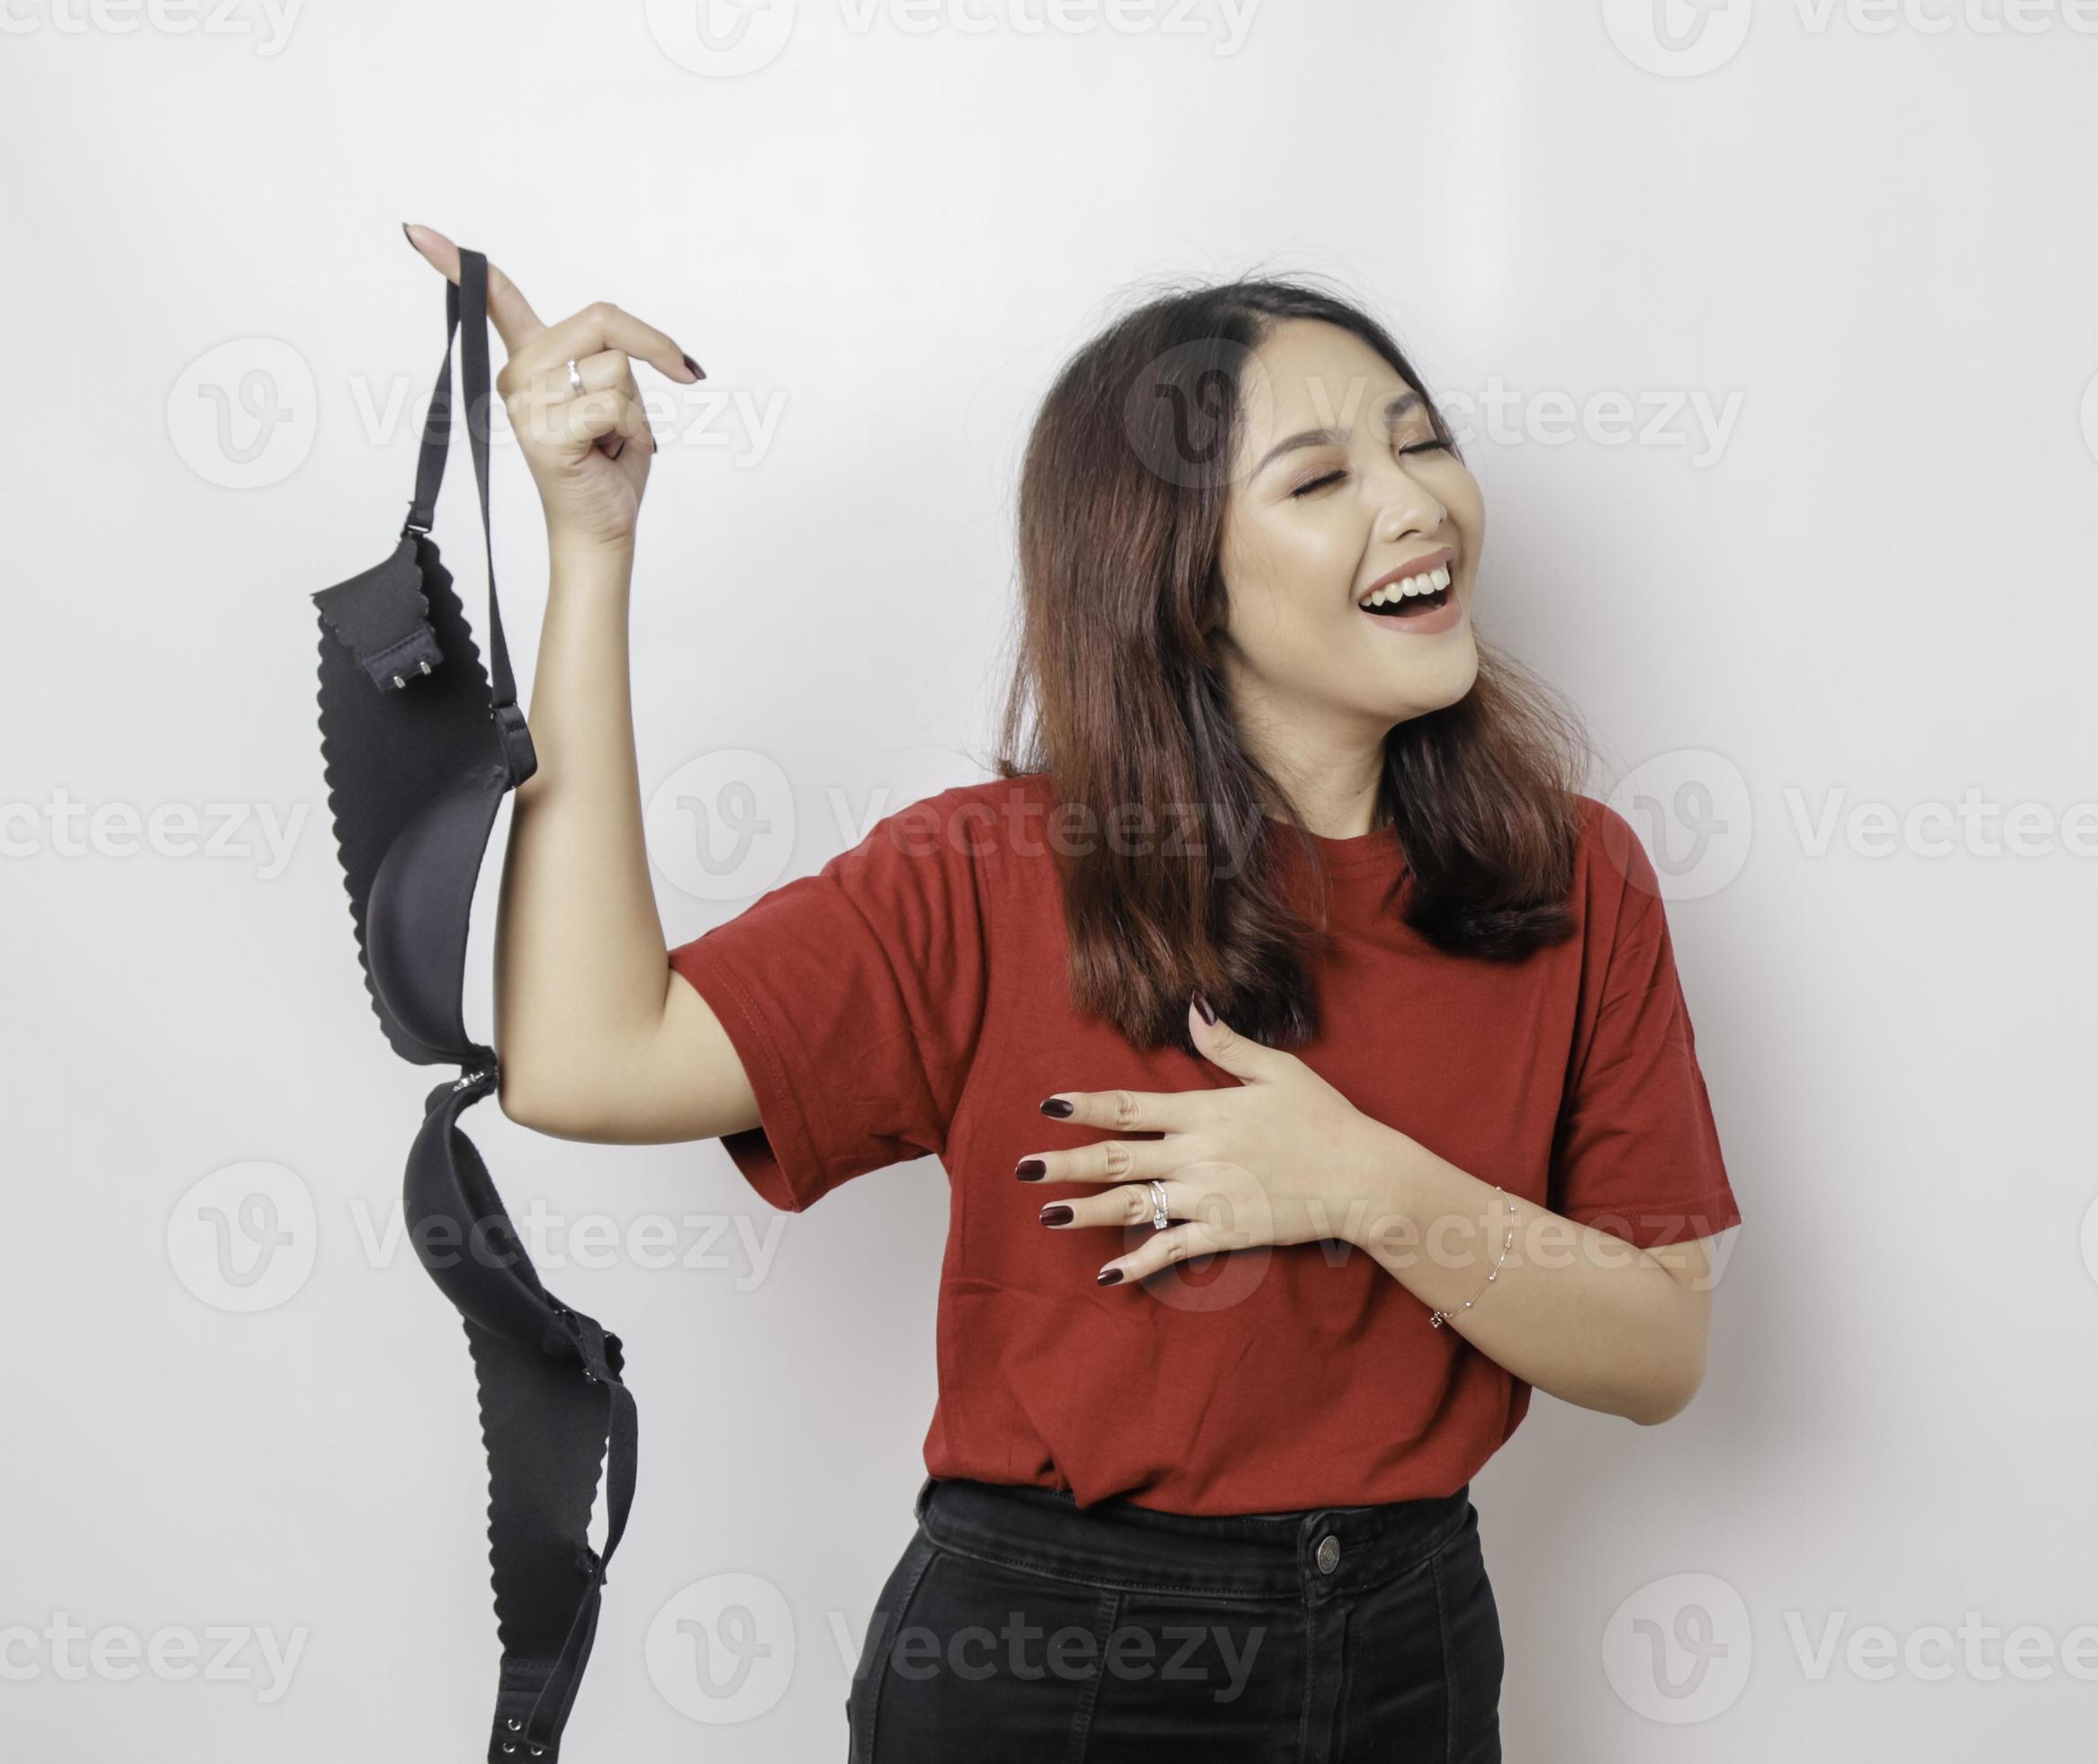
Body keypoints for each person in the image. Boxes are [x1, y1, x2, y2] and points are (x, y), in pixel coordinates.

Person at [399, 221, 1742, 1763]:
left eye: (1420, 442)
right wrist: (592, 552)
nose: (1416, 503)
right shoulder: (989, 874)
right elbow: (583, 1062)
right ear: (1175, 580)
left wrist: (1360, 1180)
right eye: (1319, 482)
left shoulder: (1577, 880)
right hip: (1052, 1665)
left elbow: (1659, 1351)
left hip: (1412, 1647)